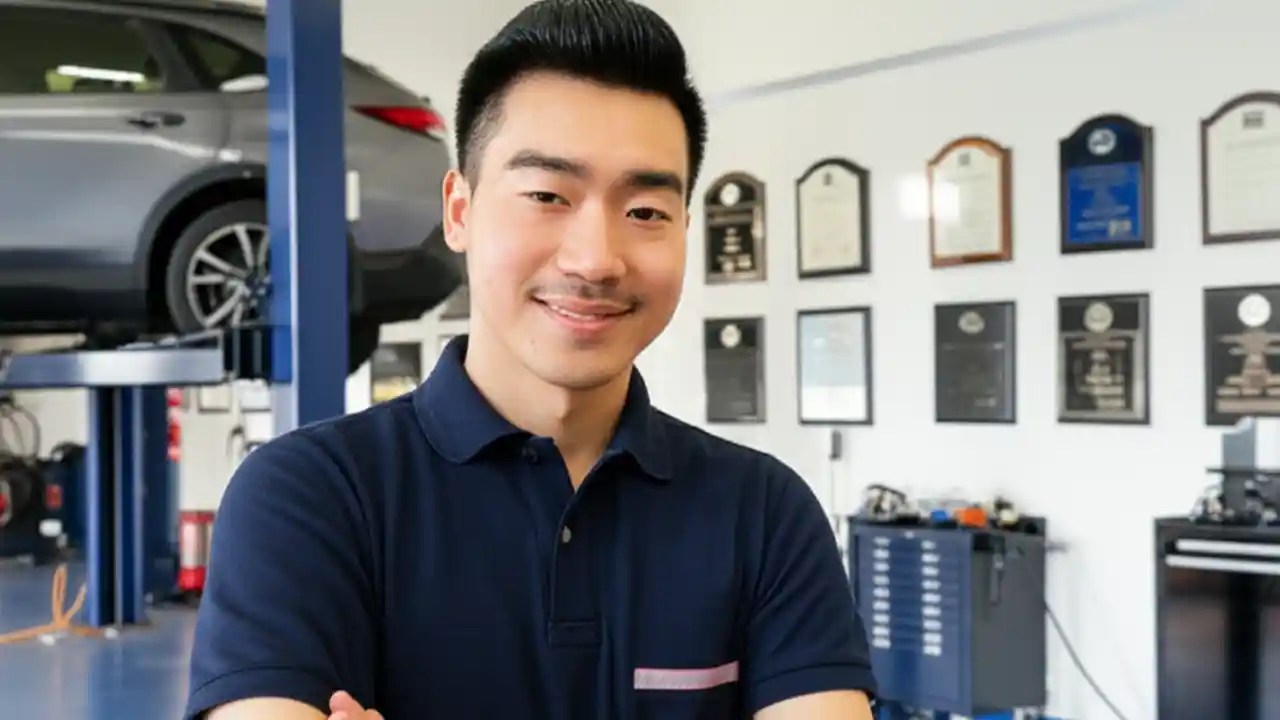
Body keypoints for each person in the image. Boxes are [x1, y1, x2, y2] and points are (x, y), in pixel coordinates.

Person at [183, 1, 877, 718]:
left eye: (645, 211)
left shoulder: (764, 515)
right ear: (459, 211)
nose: (596, 259)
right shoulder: (311, 499)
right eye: (548, 195)